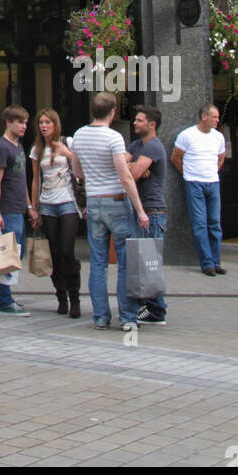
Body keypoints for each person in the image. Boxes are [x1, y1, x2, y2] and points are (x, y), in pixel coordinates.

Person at [71, 92, 149, 331]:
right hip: (116, 200)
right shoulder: (114, 137)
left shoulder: (79, 135)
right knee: (125, 261)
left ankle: (100, 317)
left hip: (93, 202)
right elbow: (125, 177)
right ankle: (127, 317)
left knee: (98, 262)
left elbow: (77, 171)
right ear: (112, 112)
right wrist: (140, 209)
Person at [29, 108, 81, 318]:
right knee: (55, 253)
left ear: (55, 124)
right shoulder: (36, 150)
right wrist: (33, 208)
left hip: (67, 201)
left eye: (48, 122)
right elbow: (35, 180)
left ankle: (74, 297)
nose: (44, 126)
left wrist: (67, 153)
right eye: (41, 122)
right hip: (47, 203)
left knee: (68, 251)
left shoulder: (68, 143)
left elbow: (79, 168)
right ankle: (61, 296)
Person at [0, 105, 36, 316]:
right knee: (7, 256)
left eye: (25, 122)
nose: (24, 126)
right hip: (7, 209)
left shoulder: (18, 147)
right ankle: (4, 301)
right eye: (20, 122)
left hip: (18, 208)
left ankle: (5, 296)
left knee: (16, 253)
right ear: (9, 123)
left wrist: (29, 206)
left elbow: (22, 179)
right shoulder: (2, 147)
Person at [171, 104, 226, 277]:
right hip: (194, 182)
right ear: (204, 117)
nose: (217, 120)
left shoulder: (218, 137)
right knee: (200, 224)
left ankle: (216, 261)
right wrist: (187, 173)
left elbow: (221, 158)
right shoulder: (187, 135)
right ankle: (207, 263)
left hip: (212, 182)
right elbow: (175, 157)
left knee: (215, 223)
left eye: (217, 117)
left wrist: (213, 170)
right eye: (214, 117)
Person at [128, 105, 169, 324]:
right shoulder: (137, 145)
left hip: (152, 212)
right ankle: (149, 305)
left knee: (149, 261)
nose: (135, 123)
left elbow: (131, 174)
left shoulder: (153, 146)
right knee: (141, 260)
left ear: (152, 125)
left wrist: (134, 167)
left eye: (139, 120)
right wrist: (136, 166)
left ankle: (157, 310)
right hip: (141, 210)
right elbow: (119, 164)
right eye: (135, 120)